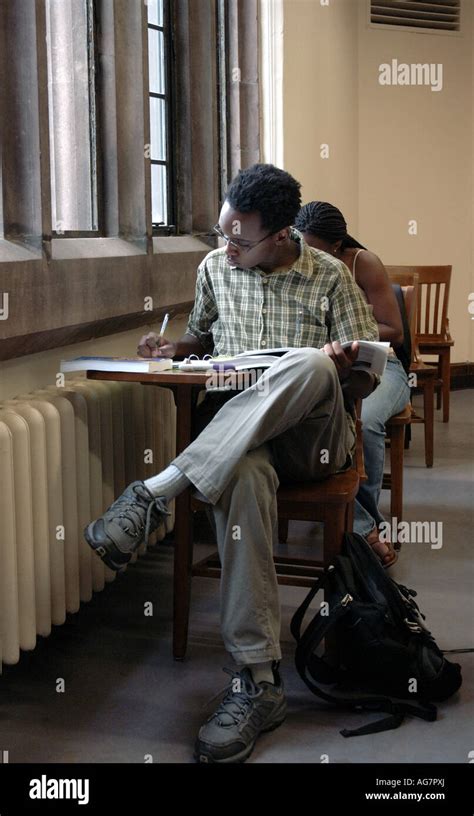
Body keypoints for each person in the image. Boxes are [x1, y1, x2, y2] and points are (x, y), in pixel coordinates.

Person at [84, 165, 379, 763]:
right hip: (243, 444)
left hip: (315, 443)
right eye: (222, 235)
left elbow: (367, 379)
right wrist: (176, 351)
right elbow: (200, 338)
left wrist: (344, 363)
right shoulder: (215, 268)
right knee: (241, 477)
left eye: (240, 241)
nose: (227, 248)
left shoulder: (331, 278)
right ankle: (257, 681)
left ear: (281, 235)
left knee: (311, 366)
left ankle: (159, 490)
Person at [294, 201, 410, 567]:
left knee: (366, 419)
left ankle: (365, 524)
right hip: (323, 368)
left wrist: (350, 335)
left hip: (378, 366)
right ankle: (351, 520)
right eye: (302, 245)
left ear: (337, 246)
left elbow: (395, 332)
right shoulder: (294, 265)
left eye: (317, 249)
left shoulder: (363, 262)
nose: (308, 255)